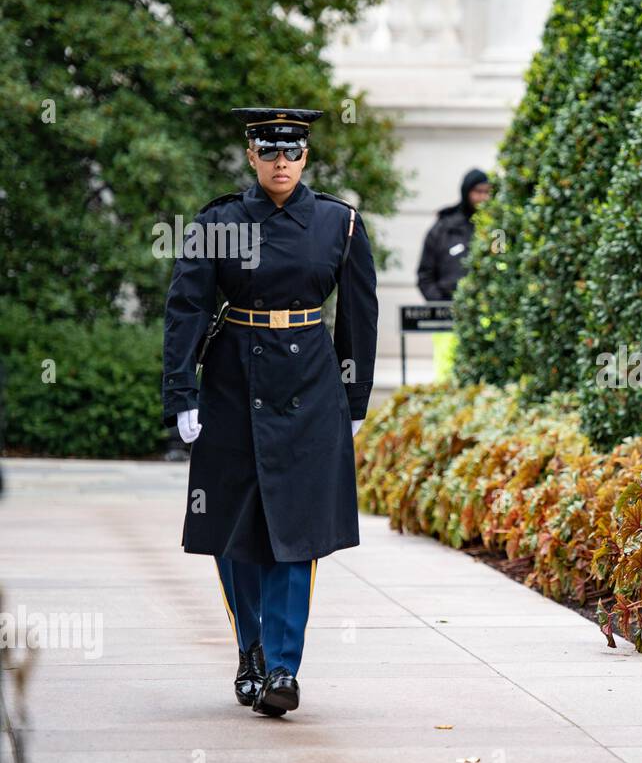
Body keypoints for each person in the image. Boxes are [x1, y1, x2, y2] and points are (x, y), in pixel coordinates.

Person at [161, 107, 378, 717]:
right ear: (251, 156)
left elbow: (359, 319)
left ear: (305, 157)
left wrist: (352, 397)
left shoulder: (340, 222)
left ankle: (284, 667)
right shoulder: (220, 222)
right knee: (235, 531)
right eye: (268, 151)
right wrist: (182, 393)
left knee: (297, 532)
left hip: (310, 388)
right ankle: (251, 649)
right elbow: (186, 310)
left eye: (291, 152)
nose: (280, 162)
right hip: (233, 384)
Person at [416, 167, 490, 302]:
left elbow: (503, 266)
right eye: (478, 191)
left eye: (487, 192)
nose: (483, 197)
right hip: (447, 309)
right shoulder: (443, 227)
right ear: (466, 192)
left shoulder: (497, 230)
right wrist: (440, 304)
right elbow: (425, 275)